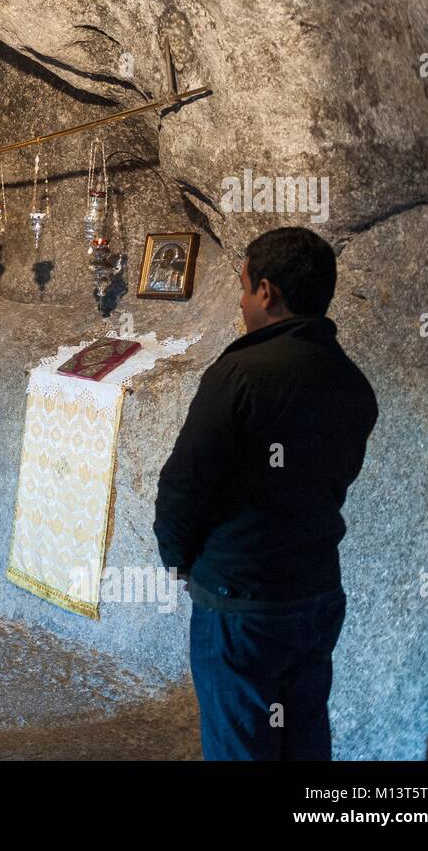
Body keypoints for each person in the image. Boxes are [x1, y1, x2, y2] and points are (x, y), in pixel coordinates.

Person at [154, 227, 378, 760]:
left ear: (267, 293)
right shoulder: (351, 381)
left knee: (240, 745)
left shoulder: (239, 374)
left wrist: (178, 559)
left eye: (243, 286)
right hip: (316, 593)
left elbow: (183, 485)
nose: (240, 299)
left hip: (241, 602)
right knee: (303, 743)